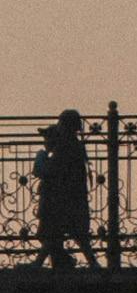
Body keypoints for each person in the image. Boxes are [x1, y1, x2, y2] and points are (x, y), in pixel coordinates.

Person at [34, 109, 94, 273]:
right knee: (72, 235)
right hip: (71, 197)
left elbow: (49, 170)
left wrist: (41, 157)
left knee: (54, 233)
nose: (58, 126)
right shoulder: (74, 145)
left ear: (65, 125)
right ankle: (84, 264)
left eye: (60, 122)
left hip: (65, 199)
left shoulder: (66, 147)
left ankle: (43, 263)